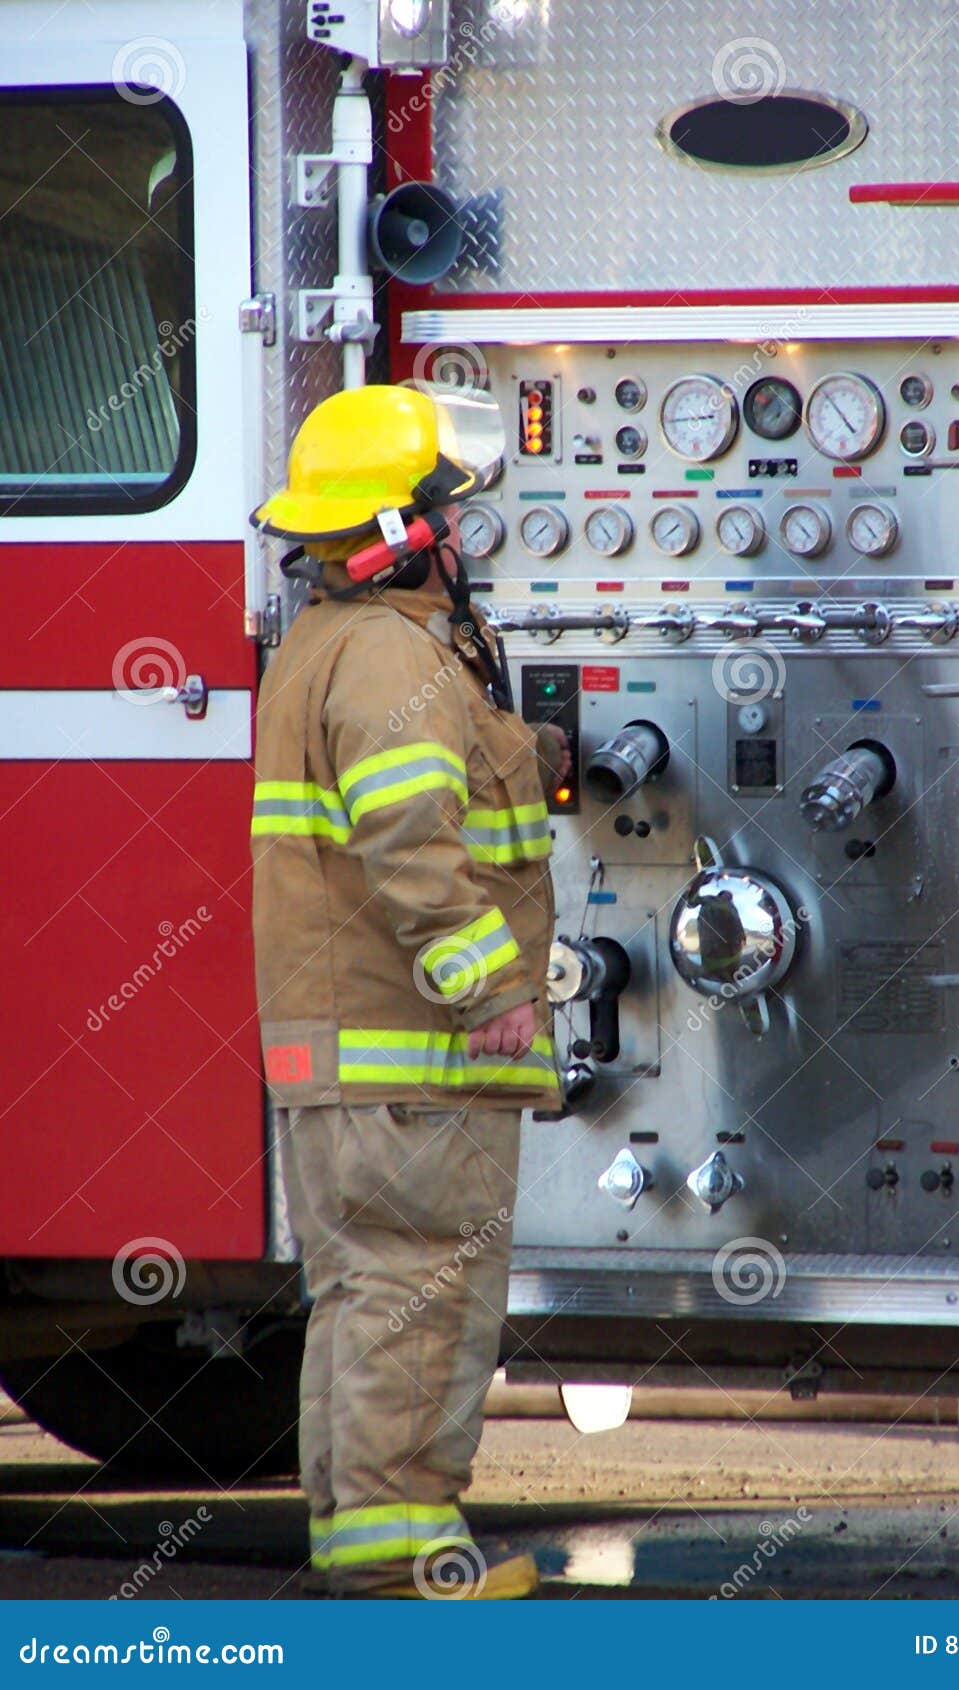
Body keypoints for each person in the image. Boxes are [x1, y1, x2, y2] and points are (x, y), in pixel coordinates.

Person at [248, 382, 565, 1600]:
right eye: (449, 513)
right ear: (400, 534)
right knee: (422, 1298)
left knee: (361, 1295)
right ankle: (404, 1589)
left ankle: (366, 1560)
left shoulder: (321, 647)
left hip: (340, 1060)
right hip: (412, 1059)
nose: (463, 533)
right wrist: (488, 987)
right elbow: (408, 836)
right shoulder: (391, 654)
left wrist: (532, 757)